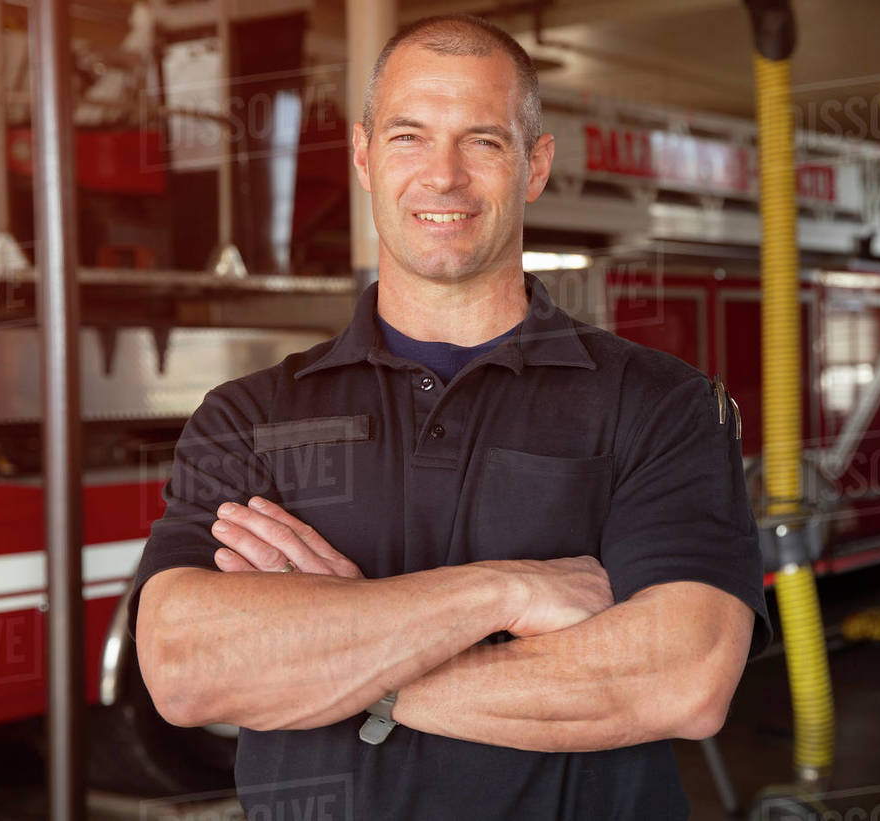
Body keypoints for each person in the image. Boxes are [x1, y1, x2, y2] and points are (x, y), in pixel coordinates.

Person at [131, 13, 771, 820]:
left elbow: (683, 677)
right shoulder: (248, 417)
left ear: (535, 165)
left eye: (483, 141)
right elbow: (186, 667)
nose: (443, 176)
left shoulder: (659, 404)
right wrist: (498, 593)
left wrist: (346, 663)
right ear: (363, 155)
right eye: (409, 137)